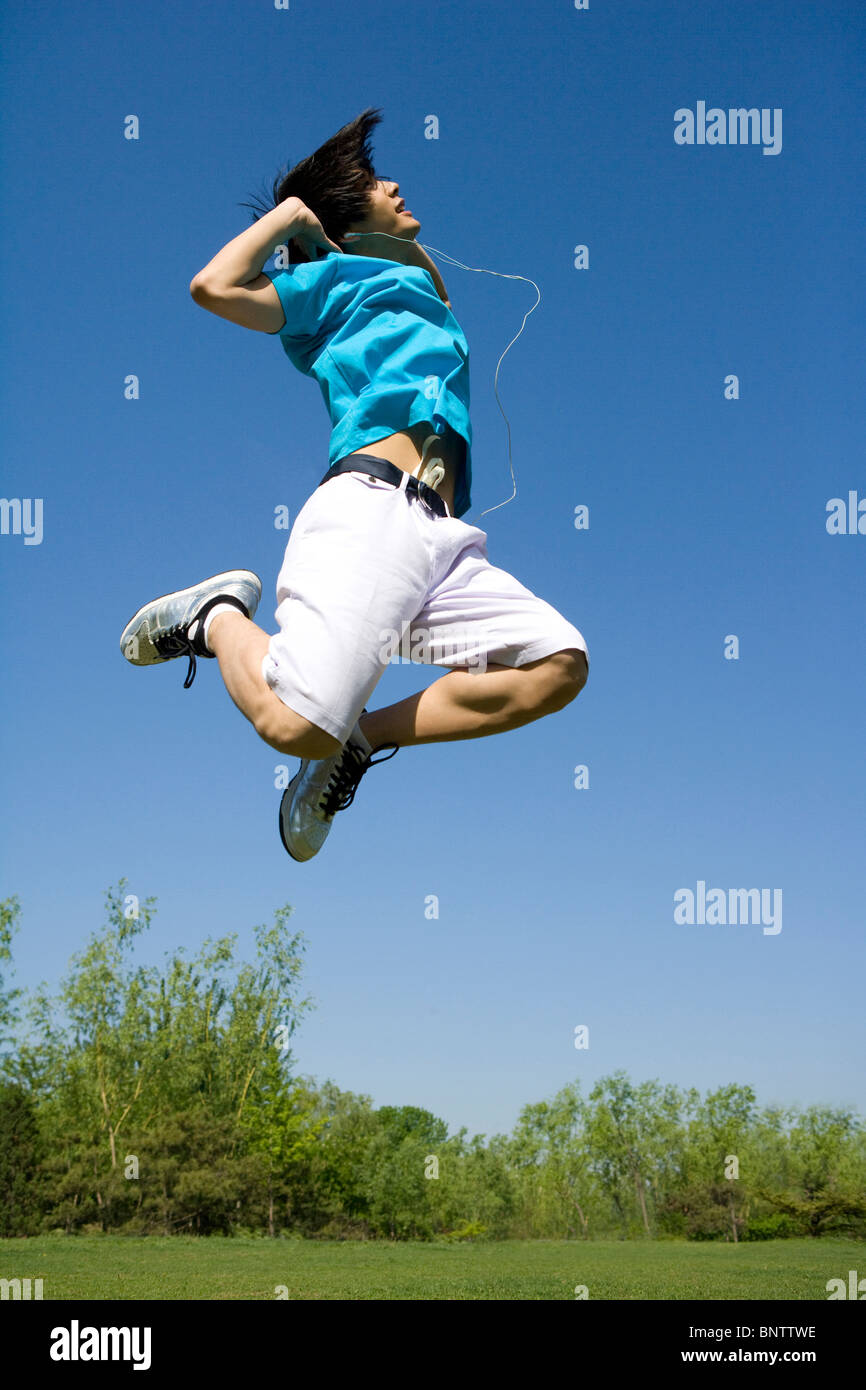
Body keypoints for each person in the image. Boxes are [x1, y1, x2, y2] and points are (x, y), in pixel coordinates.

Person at [120, 108, 589, 861]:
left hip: (440, 536)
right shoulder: (325, 287)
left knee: (556, 666)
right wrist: (294, 217)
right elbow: (212, 287)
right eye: (374, 182)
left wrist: (365, 221)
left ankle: (358, 741)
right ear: (337, 218)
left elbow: (425, 272)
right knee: (292, 725)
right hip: (367, 513)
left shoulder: (417, 288)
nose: (396, 183)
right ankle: (213, 618)